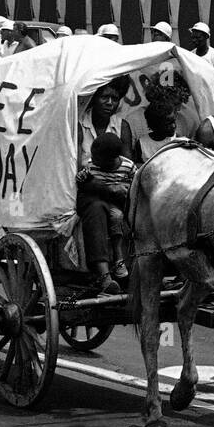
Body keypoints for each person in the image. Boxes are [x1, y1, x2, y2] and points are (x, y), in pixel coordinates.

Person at [75, 132, 135, 290]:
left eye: (97, 158)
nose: (92, 160)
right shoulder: (91, 167)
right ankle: (105, 277)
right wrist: (108, 189)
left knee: (119, 216)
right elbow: (82, 180)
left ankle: (124, 262)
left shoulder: (127, 166)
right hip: (97, 202)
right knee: (97, 209)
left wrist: (125, 191)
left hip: (119, 205)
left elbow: (135, 185)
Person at [132, 96, 178, 164]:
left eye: (174, 121)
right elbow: (139, 166)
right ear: (155, 126)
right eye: (168, 124)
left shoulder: (177, 140)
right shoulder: (142, 144)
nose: (173, 126)